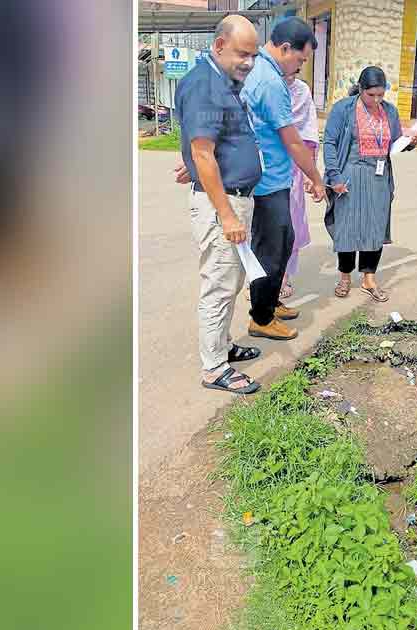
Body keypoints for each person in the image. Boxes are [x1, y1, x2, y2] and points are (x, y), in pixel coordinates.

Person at [173, 15, 264, 394]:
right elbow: (203, 151)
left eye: (253, 55)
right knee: (219, 285)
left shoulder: (221, 83)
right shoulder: (206, 86)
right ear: (219, 45)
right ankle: (214, 369)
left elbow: (208, 145)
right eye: (242, 53)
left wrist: (195, 162)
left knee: (231, 281)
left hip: (231, 197)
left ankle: (223, 347)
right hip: (222, 205)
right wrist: (225, 214)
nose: (248, 62)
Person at [239, 17, 327, 341]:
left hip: (274, 177)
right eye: (301, 59)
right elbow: (293, 140)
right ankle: (261, 319)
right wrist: (316, 178)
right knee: (270, 251)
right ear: (285, 48)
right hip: (266, 180)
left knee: (284, 242)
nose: (301, 65)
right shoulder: (269, 82)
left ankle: (271, 302)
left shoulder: (262, 72)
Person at [321, 66, 417, 302]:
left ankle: (368, 278)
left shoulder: (390, 111)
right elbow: (330, 143)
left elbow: (396, 144)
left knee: (375, 228)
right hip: (350, 174)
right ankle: (344, 277)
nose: (376, 100)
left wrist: (411, 141)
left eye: (380, 95)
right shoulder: (343, 109)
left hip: (379, 177)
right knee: (348, 227)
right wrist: (334, 176)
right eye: (371, 95)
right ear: (361, 89)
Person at [282, 71, 319, 301]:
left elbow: (308, 131)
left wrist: (310, 173)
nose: (297, 69)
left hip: (294, 167)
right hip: (263, 166)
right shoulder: (260, 83)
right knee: (260, 225)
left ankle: (283, 277)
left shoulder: (302, 91)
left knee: (289, 223)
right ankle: (257, 278)